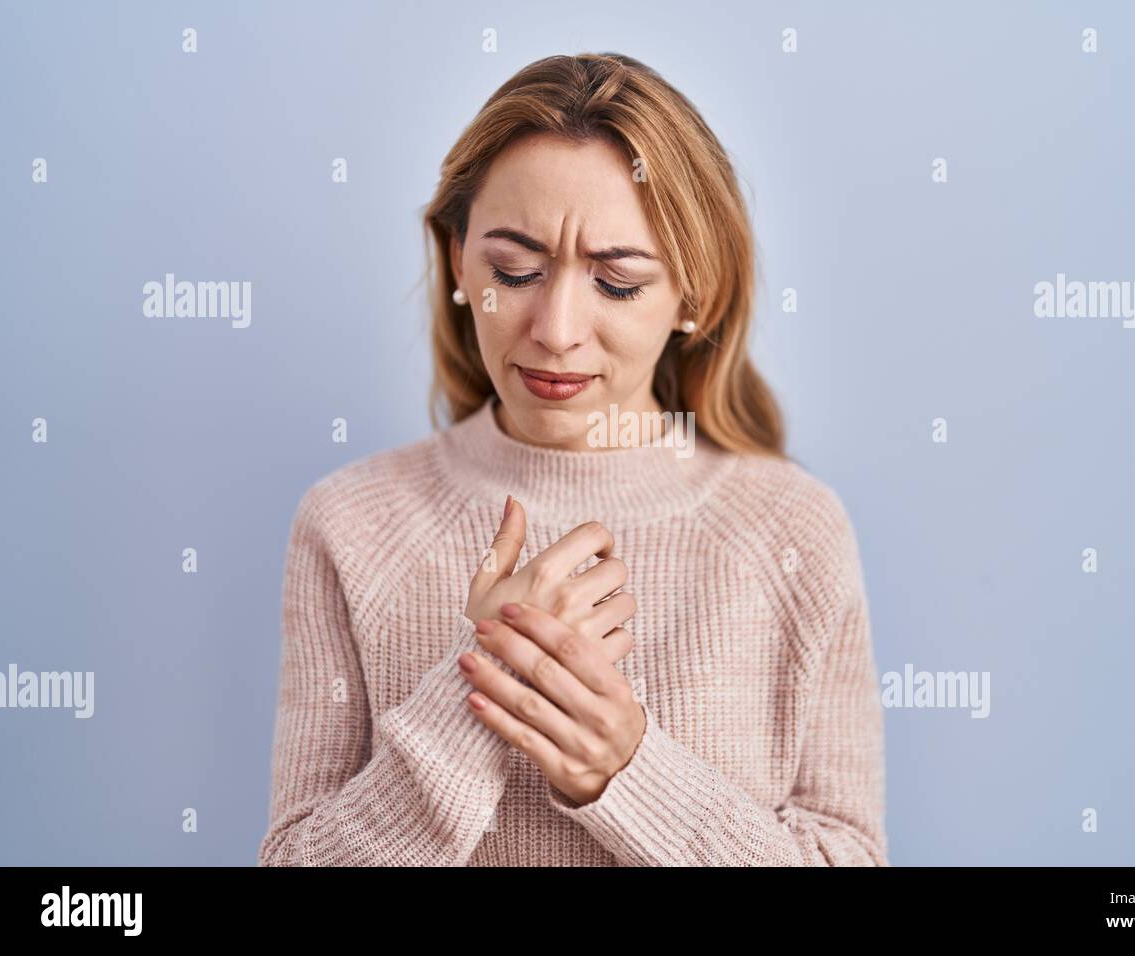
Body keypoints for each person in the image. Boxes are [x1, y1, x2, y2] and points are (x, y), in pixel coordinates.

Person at [257, 52, 887, 866]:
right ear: (458, 260)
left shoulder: (793, 530)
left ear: (693, 291)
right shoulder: (350, 522)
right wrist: (482, 687)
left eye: (617, 282)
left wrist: (627, 770)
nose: (555, 328)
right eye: (513, 269)